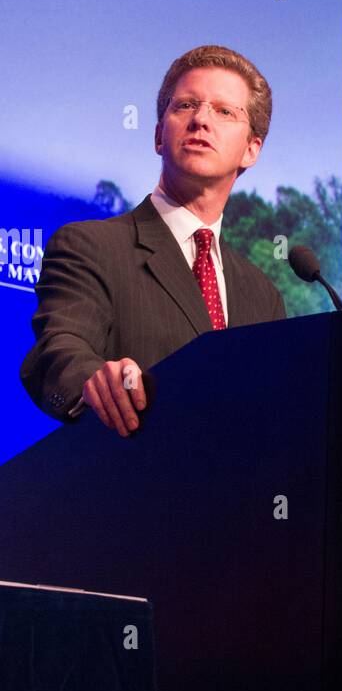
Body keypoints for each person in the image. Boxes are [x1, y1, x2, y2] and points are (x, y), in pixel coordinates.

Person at [21, 45, 286, 435]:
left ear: (251, 149)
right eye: (184, 106)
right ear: (160, 135)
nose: (200, 120)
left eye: (224, 111)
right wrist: (94, 381)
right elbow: (59, 348)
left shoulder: (262, 293)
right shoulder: (90, 247)